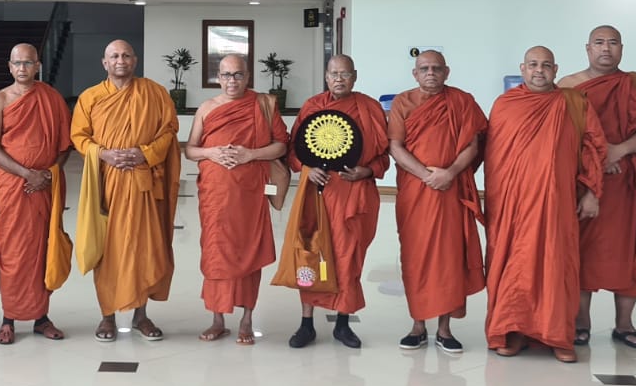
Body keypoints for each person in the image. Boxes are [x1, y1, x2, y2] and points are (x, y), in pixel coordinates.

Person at [485, 46, 606, 363]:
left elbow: (594, 148)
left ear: (556, 69)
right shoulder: (505, 105)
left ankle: (557, 334)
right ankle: (512, 331)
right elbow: (494, 158)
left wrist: (592, 192)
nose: (540, 71)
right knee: (513, 263)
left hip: (556, 201)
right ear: (522, 69)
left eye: (546, 65)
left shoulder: (574, 103)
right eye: (533, 65)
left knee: (555, 262)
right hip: (512, 204)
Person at [559, 25, 636, 350]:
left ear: (622, 48)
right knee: (581, 250)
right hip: (582, 180)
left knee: (628, 250)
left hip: (625, 181)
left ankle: (624, 324)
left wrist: (618, 150)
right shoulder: (567, 86)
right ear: (587, 48)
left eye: (613, 43)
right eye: (599, 43)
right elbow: (562, 133)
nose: (606, 49)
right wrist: (597, 157)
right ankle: (580, 322)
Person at [71, 39, 181, 343]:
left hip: (144, 183)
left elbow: (170, 130)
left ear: (135, 60)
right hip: (107, 182)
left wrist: (145, 153)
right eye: (114, 56)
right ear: (104, 63)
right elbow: (78, 137)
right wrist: (103, 153)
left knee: (143, 248)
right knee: (107, 249)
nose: (120, 60)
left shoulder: (154, 93)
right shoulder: (91, 97)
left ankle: (140, 315)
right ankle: (107, 315)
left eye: (126, 55)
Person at [186, 54, 290, 345]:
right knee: (216, 252)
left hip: (250, 192)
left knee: (248, 252)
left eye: (238, 75)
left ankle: (246, 320)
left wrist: (251, 154)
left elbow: (281, 145)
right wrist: (212, 153)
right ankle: (217, 320)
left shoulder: (263, 105)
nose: (232, 81)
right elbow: (190, 150)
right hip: (216, 195)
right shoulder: (207, 109)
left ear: (248, 76)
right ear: (217, 78)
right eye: (226, 75)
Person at [286, 55, 389, 349]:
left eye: (345, 74)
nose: (339, 79)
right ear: (326, 77)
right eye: (334, 74)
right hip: (315, 194)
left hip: (354, 194)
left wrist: (367, 170)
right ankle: (306, 323)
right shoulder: (312, 107)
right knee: (309, 255)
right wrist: (307, 168)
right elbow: (292, 150)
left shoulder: (368, 108)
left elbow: (384, 156)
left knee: (348, 257)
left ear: (355, 76)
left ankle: (343, 323)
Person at [388, 50, 486, 353]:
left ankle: (445, 329)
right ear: (415, 74)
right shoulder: (403, 103)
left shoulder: (462, 101)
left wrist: (450, 173)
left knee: (449, 258)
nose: (430, 73)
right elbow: (395, 146)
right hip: (416, 191)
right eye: (424, 69)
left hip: (450, 190)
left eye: (436, 68)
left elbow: (473, 144)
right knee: (415, 255)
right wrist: (426, 175)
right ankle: (418, 325)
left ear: (447, 72)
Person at [0, 44, 72, 345]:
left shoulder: (51, 98)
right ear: (10, 67)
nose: (23, 69)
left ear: (38, 66)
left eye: (28, 63)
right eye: (17, 63)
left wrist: (48, 174)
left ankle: (40, 317)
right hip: (15, 187)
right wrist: (27, 174)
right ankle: (8, 317)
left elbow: (64, 147)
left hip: (45, 187)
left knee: (41, 250)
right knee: (13, 251)